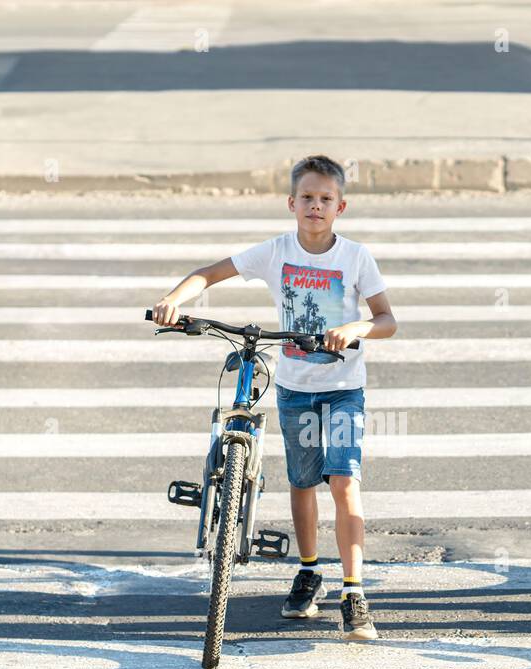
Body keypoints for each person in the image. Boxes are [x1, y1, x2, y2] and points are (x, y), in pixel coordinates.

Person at [151, 155, 397, 640]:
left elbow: (387, 319)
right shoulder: (277, 251)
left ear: (340, 207)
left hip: (343, 390)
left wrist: (354, 328)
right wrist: (175, 300)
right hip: (295, 390)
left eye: (326, 199)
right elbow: (210, 272)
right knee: (303, 484)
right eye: (307, 197)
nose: (315, 206)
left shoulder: (354, 257)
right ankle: (308, 571)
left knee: (344, 481)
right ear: (291, 203)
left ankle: (354, 590)